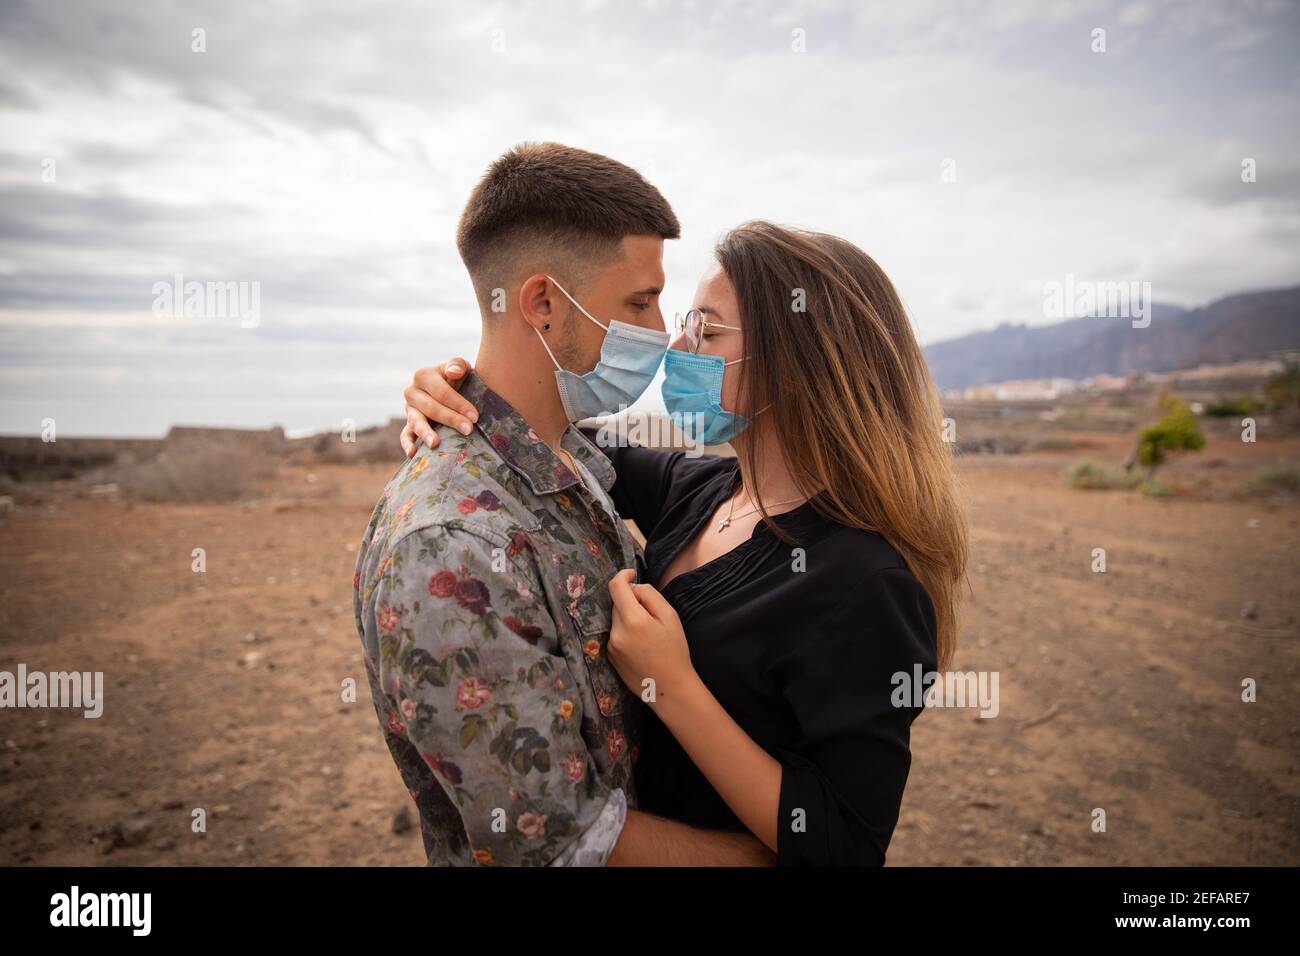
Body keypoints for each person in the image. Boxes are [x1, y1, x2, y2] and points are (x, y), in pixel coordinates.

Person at [399, 220, 971, 865]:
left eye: (707, 328)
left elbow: (844, 843)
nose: (676, 344)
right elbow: (548, 435)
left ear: (795, 361)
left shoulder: (865, 579)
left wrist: (671, 687)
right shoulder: (700, 488)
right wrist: (453, 388)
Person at [355, 142, 774, 866]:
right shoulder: (452, 542)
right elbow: (561, 846)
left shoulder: (571, 460)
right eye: (640, 300)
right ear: (544, 304)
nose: (661, 329)